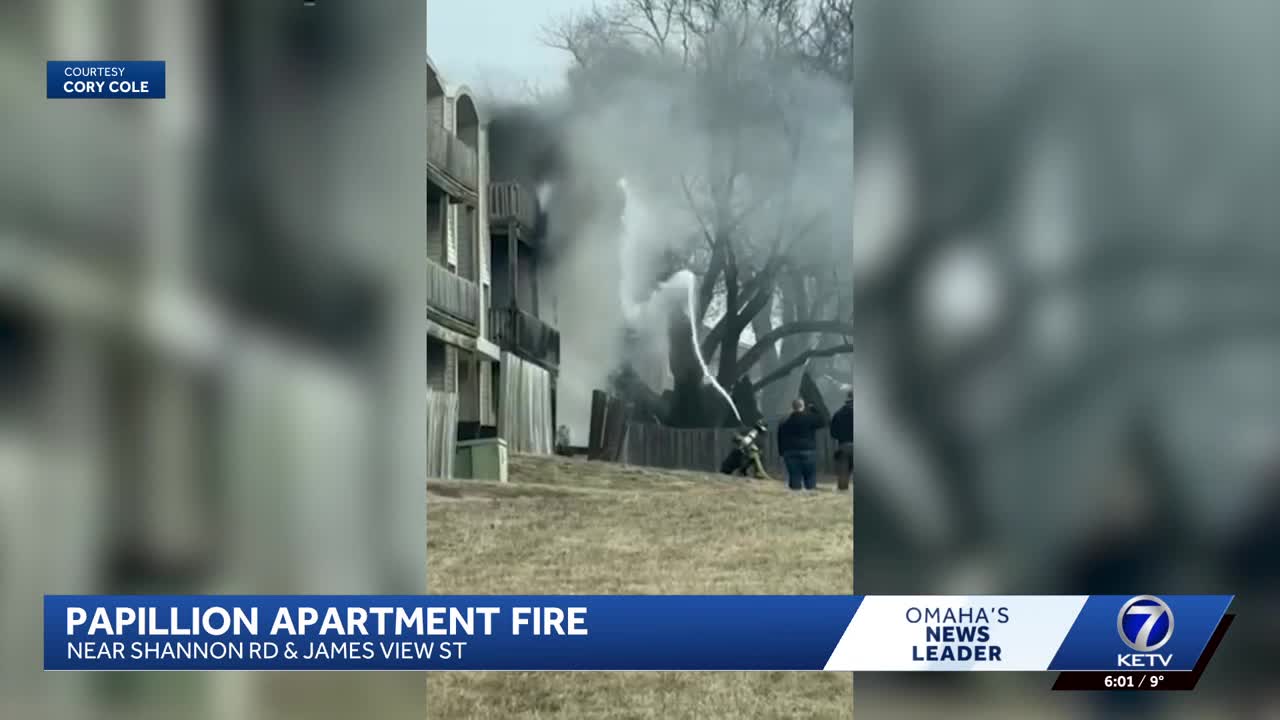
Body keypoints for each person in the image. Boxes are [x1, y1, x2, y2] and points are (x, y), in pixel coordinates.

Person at [778, 398, 826, 491]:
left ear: (792, 407)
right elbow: (822, 421)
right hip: (807, 450)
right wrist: (814, 409)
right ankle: (811, 495)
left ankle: (796, 499)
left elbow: (780, 438)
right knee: (809, 477)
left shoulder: (784, 421)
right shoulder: (809, 418)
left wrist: (781, 452)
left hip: (790, 451)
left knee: (794, 476)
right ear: (803, 406)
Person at [830, 389, 853, 491]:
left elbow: (833, 433)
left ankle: (843, 491)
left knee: (843, 471)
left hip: (844, 444)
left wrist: (841, 436)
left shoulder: (838, 413)